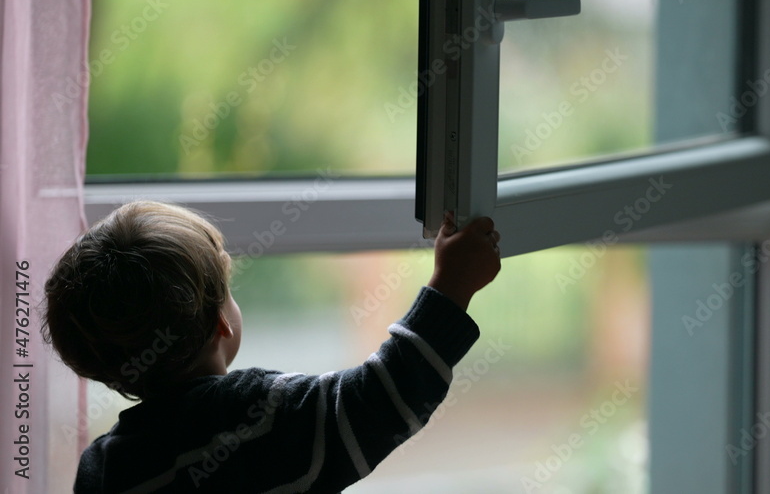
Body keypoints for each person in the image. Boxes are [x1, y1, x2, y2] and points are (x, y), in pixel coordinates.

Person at [42, 200, 501, 492]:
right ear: (221, 322)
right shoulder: (257, 417)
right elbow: (381, 398)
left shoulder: (102, 472)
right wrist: (450, 287)